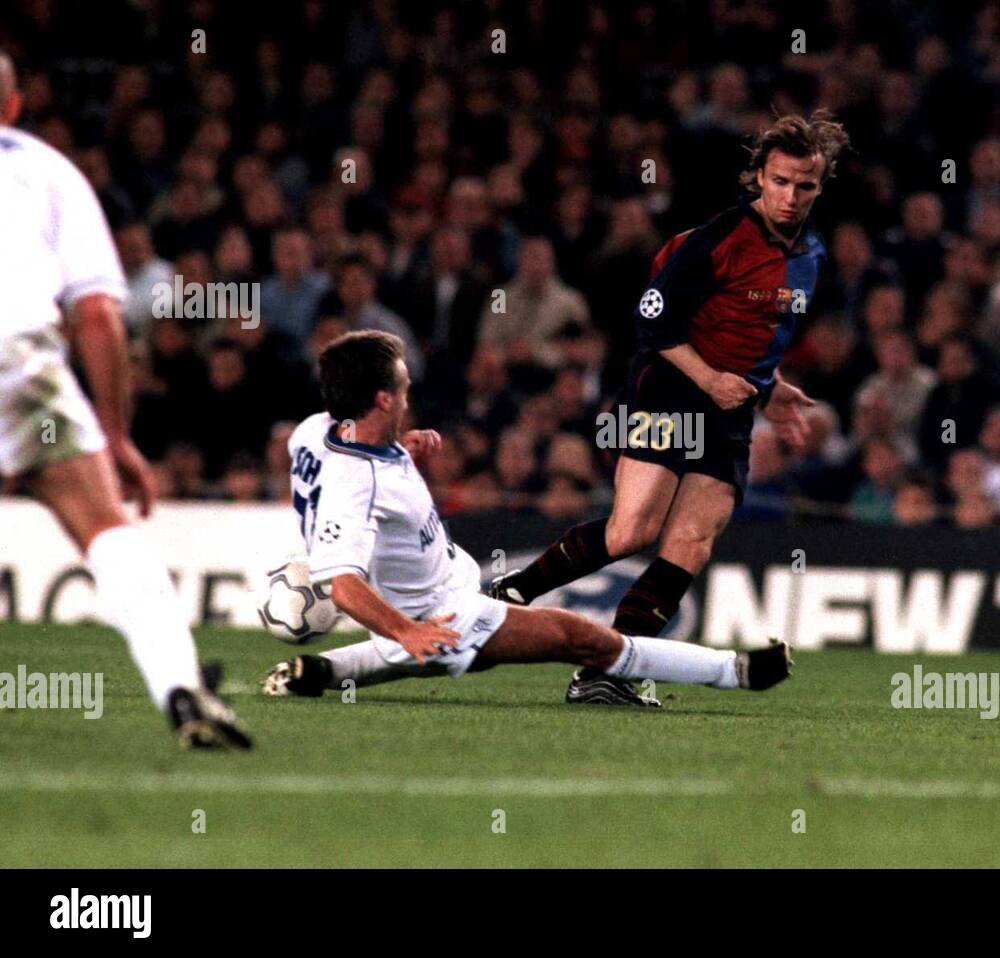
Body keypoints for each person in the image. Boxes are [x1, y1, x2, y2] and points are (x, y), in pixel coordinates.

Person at [486, 112, 847, 706]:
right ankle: (513, 592)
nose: (790, 196)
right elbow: (651, 321)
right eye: (780, 181)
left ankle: (609, 670)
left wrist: (773, 387)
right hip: (671, 387)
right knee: (633, 531)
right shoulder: (716, 240)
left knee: (694, 539)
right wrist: (711, 378)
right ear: (758, 177)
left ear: (819, 186)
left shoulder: (811, 253)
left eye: (804, 186)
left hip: (732, 405)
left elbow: (755, 332)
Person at [262, 331, 791, 702]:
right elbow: (341, 582)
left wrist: (402, 444)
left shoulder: (318, 430)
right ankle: (735, 672)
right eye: (401, 388)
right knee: (581, 638)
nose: (408, 394)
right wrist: (406, 631)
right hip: (444, 615)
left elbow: (355, 462)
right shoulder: (358, 484)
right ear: (381, 399)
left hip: (447, 592)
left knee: (440, 653)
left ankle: (324, 672)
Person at [0, 54, 249, 748]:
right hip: (18, 367)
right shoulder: (49, 171)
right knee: (107, 530)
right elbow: (101, 315)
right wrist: (115, 434)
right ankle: (180, 686)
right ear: (15, 107)